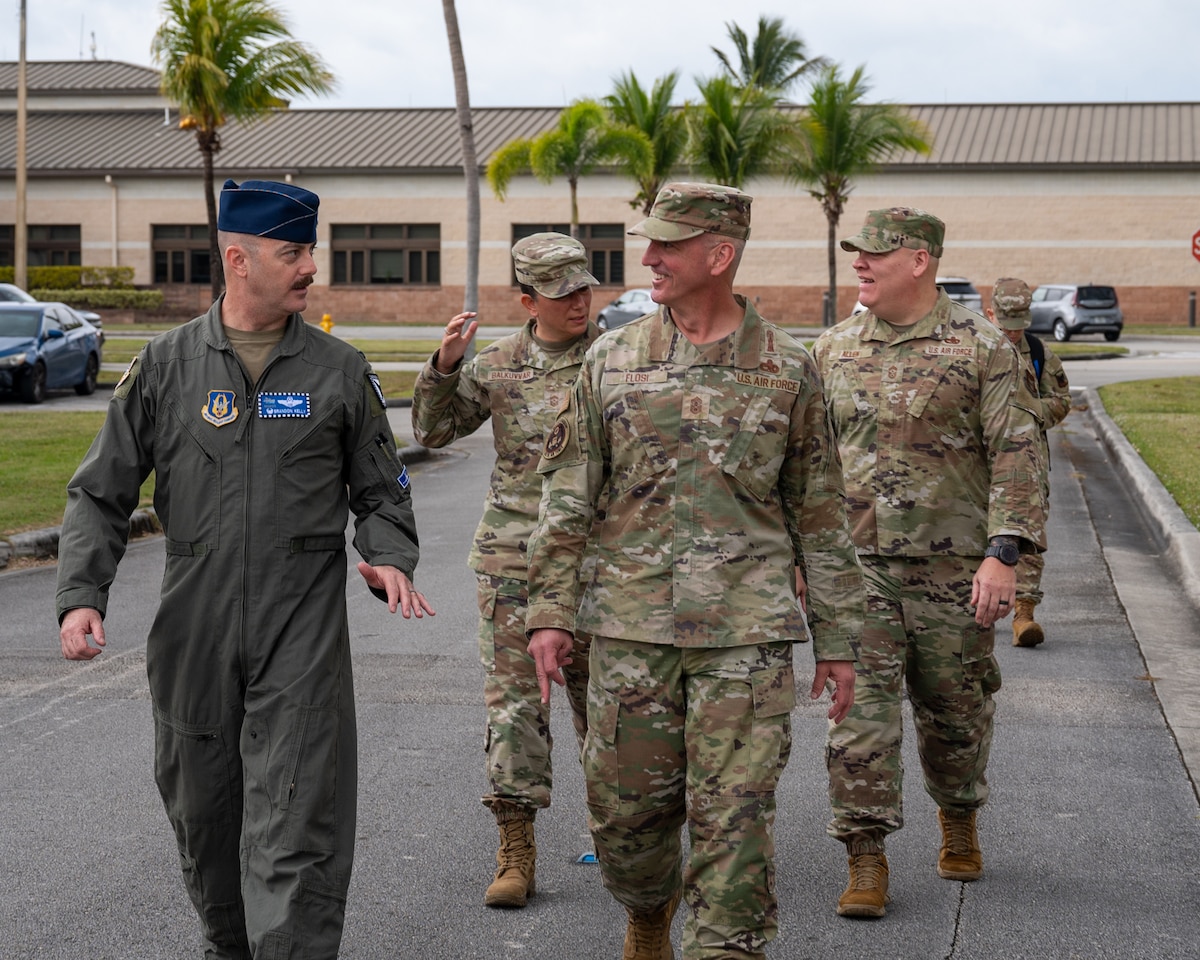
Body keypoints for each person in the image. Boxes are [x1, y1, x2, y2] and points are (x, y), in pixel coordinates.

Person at [55, 179, 434, 959]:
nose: (309, 268)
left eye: (307, 251)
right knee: (204, 813)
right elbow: (100, 491)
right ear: (239, 258)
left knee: (296, 819)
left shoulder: (338, 370)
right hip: (192, 624)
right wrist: (79, 595)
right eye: (292, 253)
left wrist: (387, 555)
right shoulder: (166, 366)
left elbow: (383, 487)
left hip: (301, 624)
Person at [525, 182, 865, 960]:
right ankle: (648, 909)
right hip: (628, 633)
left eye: (668, 245)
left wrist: (840, 640)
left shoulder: (788, 369)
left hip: (746, 641)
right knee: (627, 827)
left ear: (720, 254)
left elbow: (821, 514)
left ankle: (724, 943)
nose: (647, 257)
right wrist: (548, 615)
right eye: (650, 242)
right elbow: (567, 495)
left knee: (735, 825)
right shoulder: (612, 360)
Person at [813, 207, 1047, 919]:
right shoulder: (829, 349)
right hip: (859, 574)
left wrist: (1004, 552)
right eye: (855, 253)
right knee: (860, 719)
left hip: (954, 573)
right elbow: (808, 464)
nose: (859, 264)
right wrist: (803, 554)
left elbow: (1017, 452)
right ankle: (865, 857)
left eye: (874, 254)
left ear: (919, 260)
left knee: (955, 716)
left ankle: (959, 812)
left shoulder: (983, 348)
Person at [410, 233, 600, 909]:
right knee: (517, 712)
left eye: (584, 287)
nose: (580, 301)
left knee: (612, 715)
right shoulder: (499, 364)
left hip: (604, 566)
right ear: (527, 301)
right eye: (561, 293)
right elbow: (433, 433)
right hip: (512, 562)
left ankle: (625, 835)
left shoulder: (621, 359)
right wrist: (443, 365)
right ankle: (516, 849)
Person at [985, 277, 1072, 647]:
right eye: (1007, 324)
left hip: (1028, 462)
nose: (1014, 332)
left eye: (1020, 325)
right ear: (991, 314)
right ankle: (972, 609)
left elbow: (1061, 400)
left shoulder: (1039, 353)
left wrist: (1030, 411)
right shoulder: (976, 350)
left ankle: (1024, 615)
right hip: (980, 461)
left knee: (1028, 534)